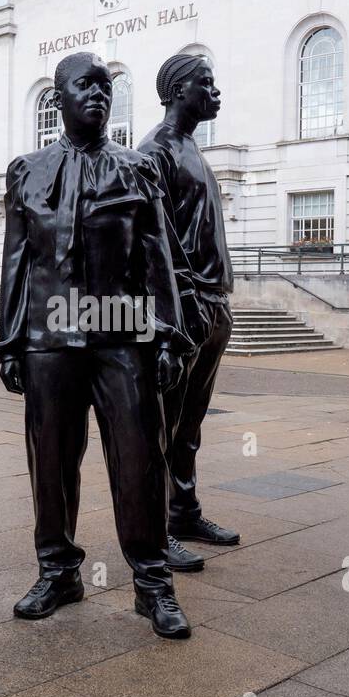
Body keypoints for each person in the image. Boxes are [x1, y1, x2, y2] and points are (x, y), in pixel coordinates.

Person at [0, 51, 196, 639]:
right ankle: (57, 570)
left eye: (107, 88)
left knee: (139, 459)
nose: (99, 96)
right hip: (50, 336)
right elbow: (15, 262)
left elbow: (159, 260)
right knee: (49, 461)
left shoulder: (137, 169)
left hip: (122, 333)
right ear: (59, 99)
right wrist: (10, 342)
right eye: (86, 86)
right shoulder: (25, 171)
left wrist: (168, 337)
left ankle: (153, 582)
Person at [139, 53, 239, 572]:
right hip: (186, 306)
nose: (215, 92)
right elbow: (154, 241)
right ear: (179, 91)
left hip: (213, 301)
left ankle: (184, 511)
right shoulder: (154, 151)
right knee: (164, 422)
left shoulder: (193, 149)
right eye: (206, 83)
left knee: (190, 424)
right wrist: (178, 309)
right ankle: (153, 530)